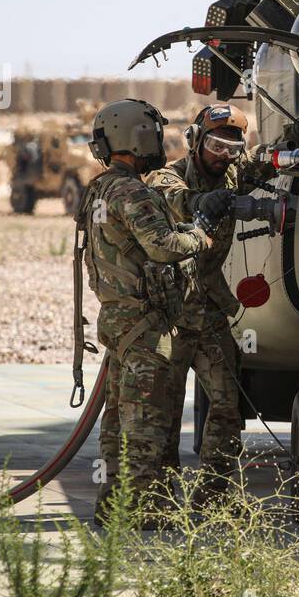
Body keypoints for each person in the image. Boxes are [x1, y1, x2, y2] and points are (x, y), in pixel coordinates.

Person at [75, 98, 212, 522]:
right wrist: (200, 236)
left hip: (119, 319)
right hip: (145, 324)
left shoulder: (99, 189)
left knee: (118, 418)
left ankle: (113, 506)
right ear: (139, 138)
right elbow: (163, 246)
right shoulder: (131, 190)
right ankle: (141, 510)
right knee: (147, 421)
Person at [148, 105, 278, 502]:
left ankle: (215, 493)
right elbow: (176, 200)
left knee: (226, 401)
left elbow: (273, 155)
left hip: (208, 308)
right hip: (169, 312)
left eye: (232, 149)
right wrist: (204, 203)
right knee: (165, 408)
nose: (223, 156)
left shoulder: (235, 173)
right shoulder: (167, 177)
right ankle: (160, 496)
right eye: (216, 146)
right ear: (195, 142)